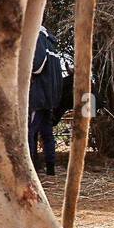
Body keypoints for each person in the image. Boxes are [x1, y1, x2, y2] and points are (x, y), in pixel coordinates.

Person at [28, 25, 64, 176]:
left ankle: (29, 171)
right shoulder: (52, 43)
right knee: (47, 133)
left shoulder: (38, 38)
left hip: (38, 96)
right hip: (50, 98)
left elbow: (37, 66)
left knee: (29, 132)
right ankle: (50, 169)